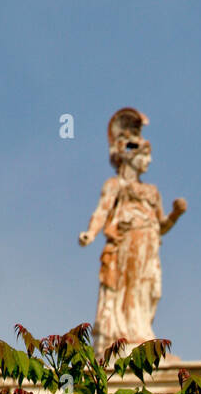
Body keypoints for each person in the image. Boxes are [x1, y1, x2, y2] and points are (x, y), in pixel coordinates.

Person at [79, 108, 186, 358]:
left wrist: (175, 215)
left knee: (148, 289)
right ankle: (121, 337)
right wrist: (90, 233)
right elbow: (102, 211)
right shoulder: (115, 185)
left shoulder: (152, 191)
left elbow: (162, 226)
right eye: (145, 155)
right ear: (130, 156)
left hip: (148, 243)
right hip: (126, 242)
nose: (148, 161)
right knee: (124, 288)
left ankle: (141, 332)